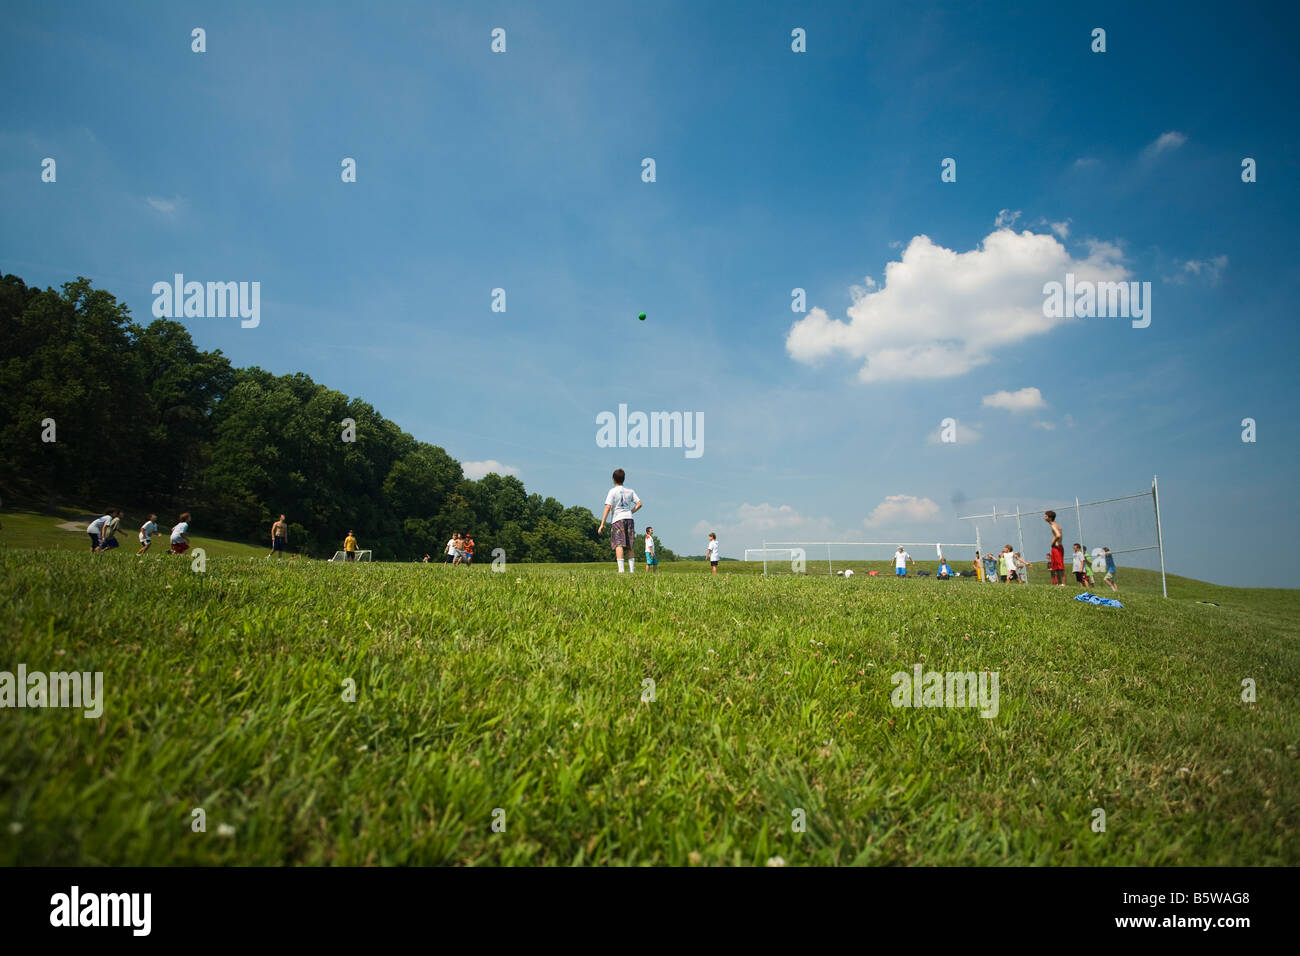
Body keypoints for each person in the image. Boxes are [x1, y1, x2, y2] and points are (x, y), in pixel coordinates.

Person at [597, 468, 642, 573]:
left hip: (618, 519)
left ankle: (621, 571)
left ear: (613, 479)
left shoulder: (612, 491)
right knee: (629, 544)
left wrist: (602, 524)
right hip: (629, 518)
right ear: (624, 479)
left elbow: (608, 507)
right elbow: (639, 504)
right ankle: (631, 571)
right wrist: (630, 511)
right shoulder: (630, 490)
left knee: (619, 544)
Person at [1044, 510, 1065, 586]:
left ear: (1050, 517)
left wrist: (1053, 543)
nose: (1044, 518)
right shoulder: (1056, 524)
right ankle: (1060, 584)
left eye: (1046, 516)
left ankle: (1063, 584)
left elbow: (1058, 535)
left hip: (1057, 547)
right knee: (1056, 566)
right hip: (1059, 547)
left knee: (1060, 567)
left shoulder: (1053, 525)